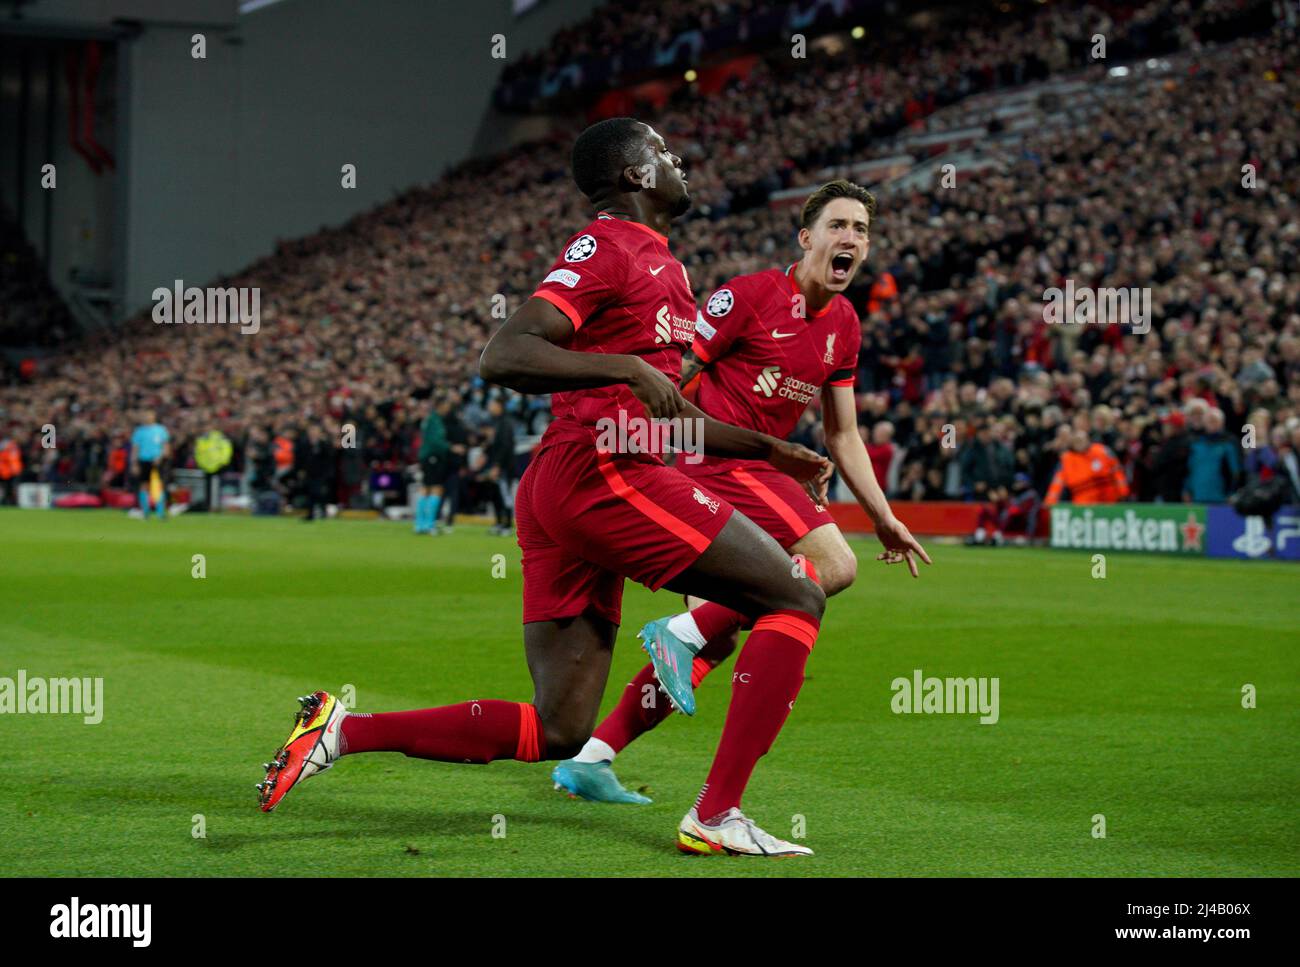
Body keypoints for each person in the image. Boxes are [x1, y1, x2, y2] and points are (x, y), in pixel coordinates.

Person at [256, 118, 832, 858]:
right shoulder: (609, 245)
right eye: (659, 151)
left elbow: (670, 412)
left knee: (560, 725)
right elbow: (507, 352)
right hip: (605, 469)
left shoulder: (667, 267)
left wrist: (770, 449)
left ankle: (340, 729)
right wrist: (623, 369)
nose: (676, 159)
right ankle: (716, 812)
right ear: (630, 176)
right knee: (797, 593)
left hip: (577, 478)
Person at [553, 180, 930, 806]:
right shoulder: (746, 297)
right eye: (839, 225)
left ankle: (594, 758)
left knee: (716, 635)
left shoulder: (844, 325)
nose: (852, 239)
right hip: (718, 463)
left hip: (759, 470)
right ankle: (686, 651)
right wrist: (647, 443)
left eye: (862, 230)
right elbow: (675, 378)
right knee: (833, 565)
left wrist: (883, 516)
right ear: (807, 238)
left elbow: (844, 432)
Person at [1043, 430, 1129, 505]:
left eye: (1082, 440)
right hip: (1083, 505)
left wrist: (1123, 493)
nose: (1079, 443)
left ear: (1088, 440)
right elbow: (1057, 483)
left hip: (1109, 502)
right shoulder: (1066, 460)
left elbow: (1117, 472)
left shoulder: (1102, 451)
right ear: (1072, 443)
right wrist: (1050, 502)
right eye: (1076, 441)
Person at [413, 398, 449, 534]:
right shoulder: (435, 421)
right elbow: (435, 441)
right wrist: (450, 447)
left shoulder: (430, 420)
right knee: (435, 489)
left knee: (425, 488)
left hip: (426, 457)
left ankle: (420, 524)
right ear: (441, 406)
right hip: (432, 457)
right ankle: (428, 524)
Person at [484, 395, 516, 535]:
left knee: (504, 495)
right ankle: (498, 523)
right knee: (495, 494)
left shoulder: (505, 423)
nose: (490, 408)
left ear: (499, 406)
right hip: (495, 465)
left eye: (492, 404)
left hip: (504, 466)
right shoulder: (495, 422)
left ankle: (507, 525)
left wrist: (497, 465)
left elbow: (505, 446)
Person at [129, 409, 170, 520]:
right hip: (143, 461)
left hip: (157, 461)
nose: (147, 417)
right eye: (145, 415)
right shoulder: (139, 431)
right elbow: (135, 449)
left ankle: (160, 513)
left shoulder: (160, 430)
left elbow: (166, 447)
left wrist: (161, 457)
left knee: (158, 486)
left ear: (154, 416)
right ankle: (145, 512)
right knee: (144, 485)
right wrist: (134, 463)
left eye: (149, 415)